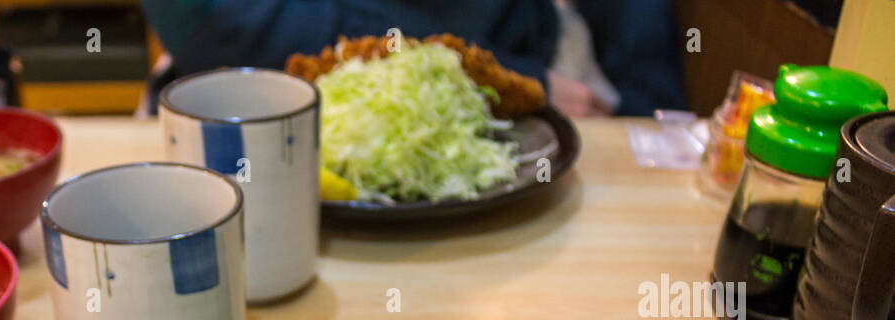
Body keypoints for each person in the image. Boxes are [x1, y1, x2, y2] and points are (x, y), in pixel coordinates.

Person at [140, 0, 686, 116]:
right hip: (258, 97)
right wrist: (490, 71)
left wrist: (653, 112)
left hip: (538, 80)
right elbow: (218, 23)